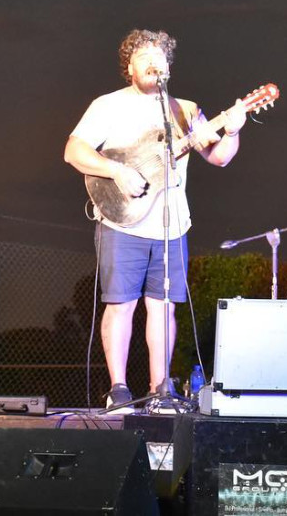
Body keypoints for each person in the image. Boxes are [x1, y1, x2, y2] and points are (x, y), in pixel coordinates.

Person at [64, 29, 246, 410]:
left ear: (168, 66)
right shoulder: (108, 105)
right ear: (128, 66)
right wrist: (117, 171)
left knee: (164, 306)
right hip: (122, 223)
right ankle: (118, 388)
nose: (152, 62)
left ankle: (161, 387)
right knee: (121, 305)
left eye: (159, 56)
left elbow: (220, 156)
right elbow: (74, 151)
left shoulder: (186, 110)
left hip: (171, 224)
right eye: (143, 55)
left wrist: (232, 130)